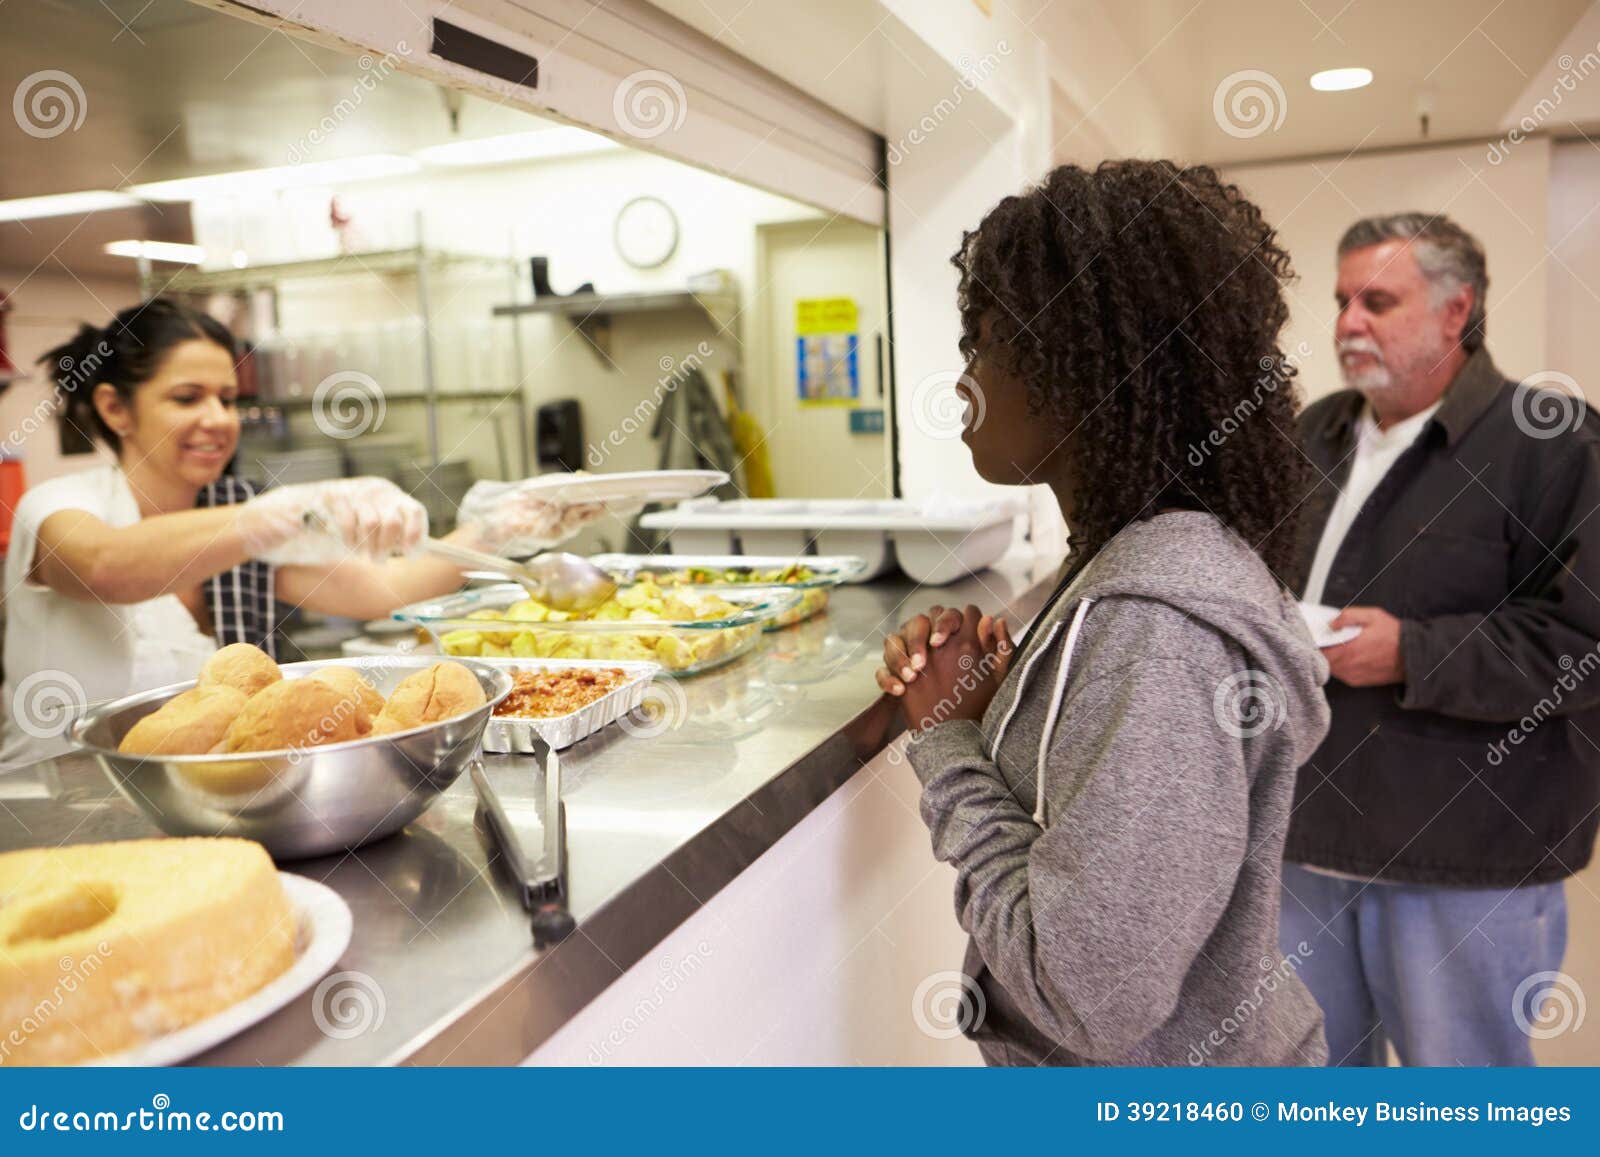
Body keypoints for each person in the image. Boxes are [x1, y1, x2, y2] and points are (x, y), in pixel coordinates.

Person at [874, 161, 1331, 1066]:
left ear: (1077, 366)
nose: (962, 381)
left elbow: (1091, 995)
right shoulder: (1137, 559)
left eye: (982, 343)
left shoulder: (1155, 631)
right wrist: (1015, 700)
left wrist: (952, 745)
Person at [1, 298, 617, 768]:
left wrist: (503, 528)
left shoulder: (235, 520)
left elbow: (380, 589)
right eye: (187, 398)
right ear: (115, 409)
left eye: (228, 398)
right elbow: (104, 567)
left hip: (198, 795)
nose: (217, 420)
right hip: (56, 804)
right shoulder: (59, 503)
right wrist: (279, 514)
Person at [1273, 213, 1600, 1066]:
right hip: (1306, 837)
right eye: (1343, 300)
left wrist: (1414, 652)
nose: (1347, 322)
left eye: (1378, 300)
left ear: (1458, 311)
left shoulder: (1556, 442)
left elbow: (1583, 641)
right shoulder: (1314, 436)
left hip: (1463, 859)